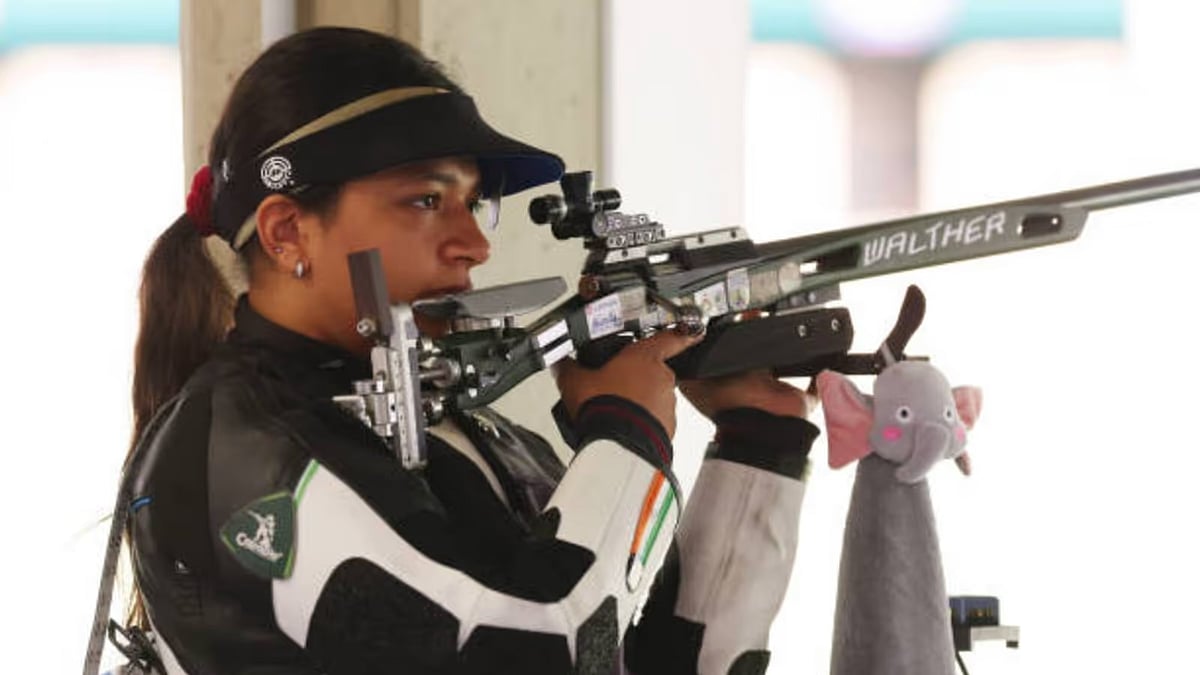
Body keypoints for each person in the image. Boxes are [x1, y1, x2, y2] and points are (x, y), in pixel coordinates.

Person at [120, 25, 820, 675]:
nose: (475, 244)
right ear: (286, 232)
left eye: (475, 202)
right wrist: (626, 432)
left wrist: (758, 437)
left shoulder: (465, 429)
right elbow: (545, 646)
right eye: (426, 200)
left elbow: (667, 662)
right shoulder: (246, 446)